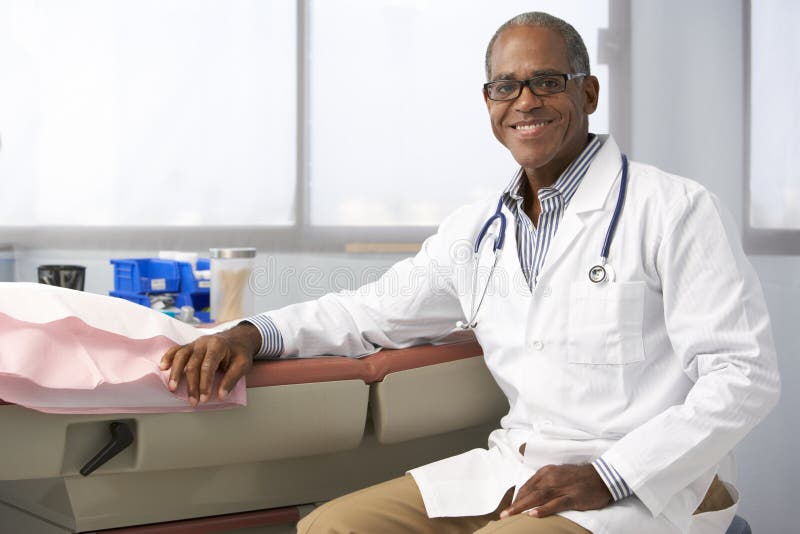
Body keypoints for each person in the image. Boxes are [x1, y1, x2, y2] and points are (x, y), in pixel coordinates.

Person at [160, 11, 780, 534]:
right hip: (516, 467)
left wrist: (609, 474)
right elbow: (369, 313)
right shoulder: (478, 230)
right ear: (488, 103)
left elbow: (742, 376)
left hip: (649, 485)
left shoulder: (674, 209)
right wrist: (248, 333)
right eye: (505, 86)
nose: (526, 101)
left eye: (547, 81)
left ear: (588, 94)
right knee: (328, 528)